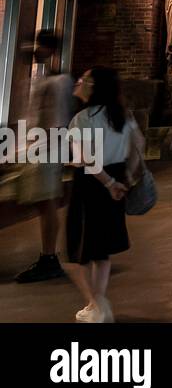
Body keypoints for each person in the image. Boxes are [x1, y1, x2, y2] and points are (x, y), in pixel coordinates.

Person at [65, 67, 142, 323]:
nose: (79, 82)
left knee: (77, 253)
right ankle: (97, 303)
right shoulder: (122, 116)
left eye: (84, 79)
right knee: (102, 250)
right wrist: (125, 178)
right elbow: (138, 146)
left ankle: (97, 304)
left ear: (93, 87)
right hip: (116, 181)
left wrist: (108, 183)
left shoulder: (82, 118)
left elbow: (86, 158)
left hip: (90, 185)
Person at [15, 30, 76, 284]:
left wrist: (37, 147)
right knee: (43, 202)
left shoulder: (58, 81)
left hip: (47, 148)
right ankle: (48, 254)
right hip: (41, 146)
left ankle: (49, 256)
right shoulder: (46, 76)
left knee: (48, 202)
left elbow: (56, 120)